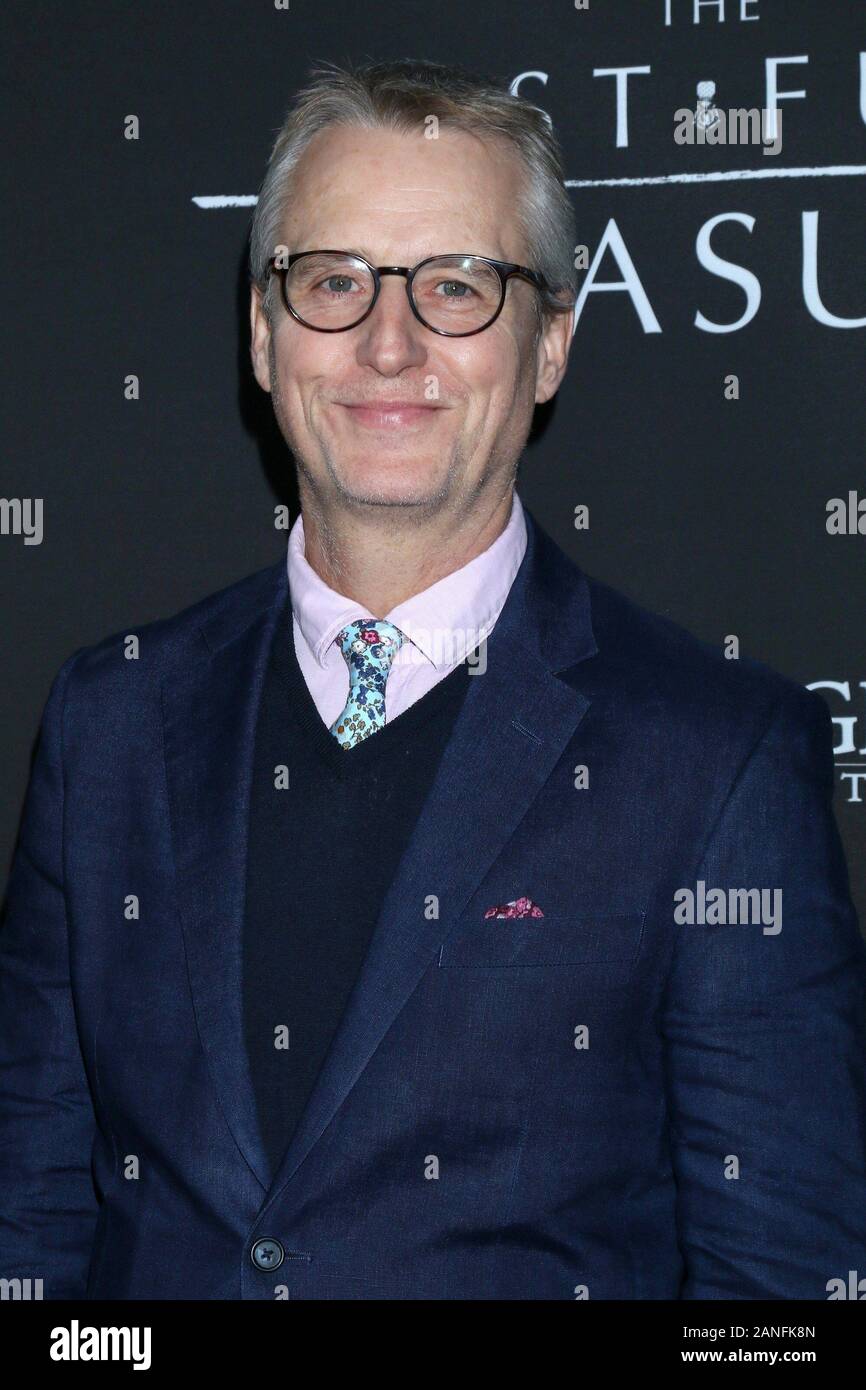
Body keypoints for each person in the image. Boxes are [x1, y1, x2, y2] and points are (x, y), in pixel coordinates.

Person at [1, 58, 865, 1301]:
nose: (387, 339)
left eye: (457, 285)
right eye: (333, 281)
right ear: (261, 331)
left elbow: (780, 1297)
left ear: (550, 343)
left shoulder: (715, 758)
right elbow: (28, 1220)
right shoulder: (110, 722)